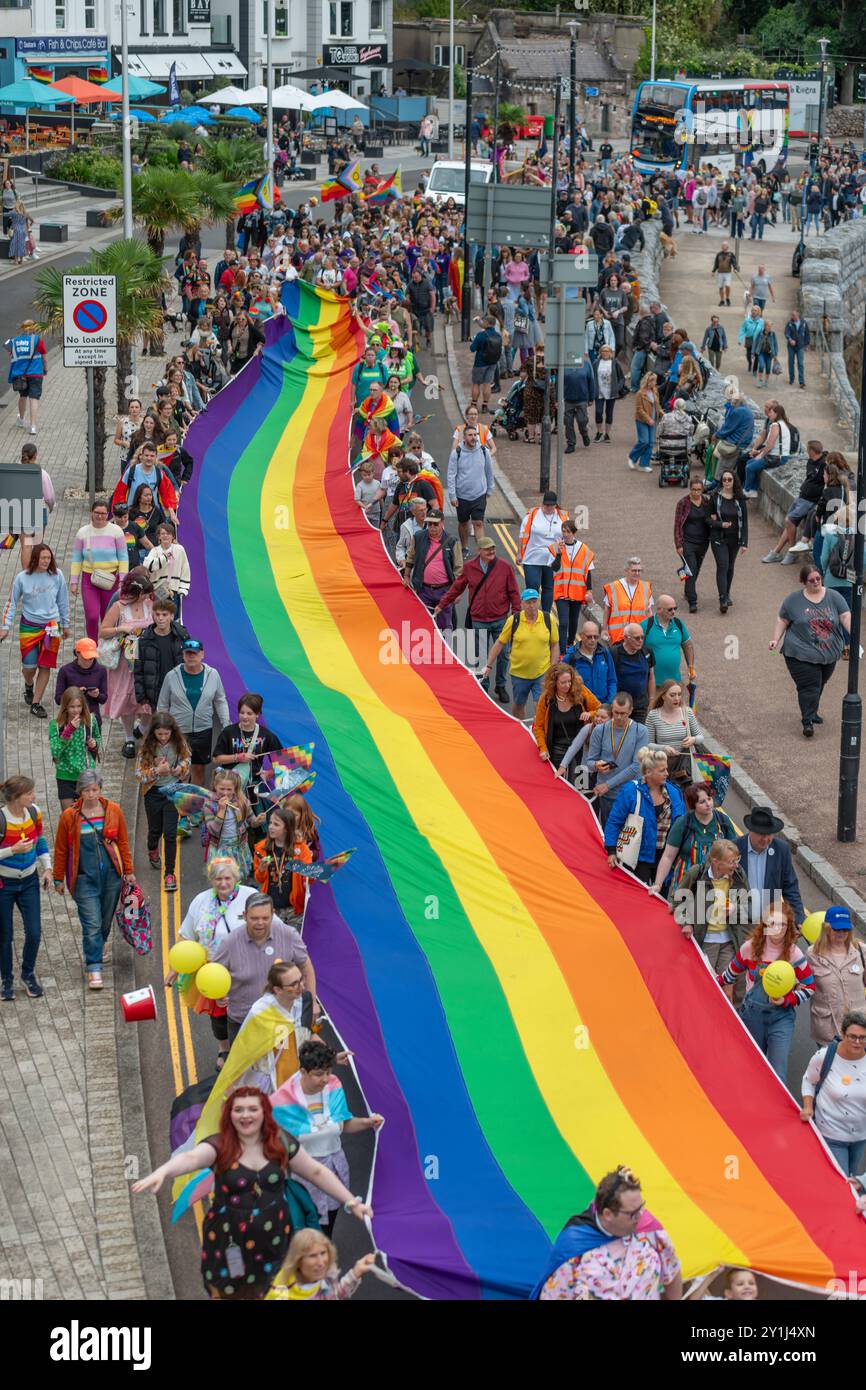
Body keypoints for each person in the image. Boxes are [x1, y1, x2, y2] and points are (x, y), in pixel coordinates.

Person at [132, 1087, 372, 1300]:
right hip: (228, 1244)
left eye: (252, 1109)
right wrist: (162, 1172)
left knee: (276, 1294)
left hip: (275, 1242)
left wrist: (350, 1202)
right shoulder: (221, 1145)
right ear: (230, 1114)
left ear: (264, 1112)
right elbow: (191, 1158)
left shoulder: (280, 1142)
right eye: (239, 1110)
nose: (245, 1115)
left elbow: (316, 1172)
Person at [271, 1039, 383, 1237]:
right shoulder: (280, 1103)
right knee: (303, 1229)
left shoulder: (333, 1086)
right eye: (318, 1074)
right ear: (303, 1072)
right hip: (302, 1178)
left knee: (327, 1227)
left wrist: (367, 1122)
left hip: (334, 1168)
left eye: (328, 1071)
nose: (325, 1079)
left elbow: (343, 1123)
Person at [533, 1165, 683, 1301]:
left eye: (641, 1207)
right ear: (608, 1214)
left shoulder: (648, 1229)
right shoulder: (575, 1247)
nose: (640, 1215)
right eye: (633, 1213)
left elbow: (672, 1269)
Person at [53, 770, 135, 992]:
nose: (91, 794)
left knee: (105, 921)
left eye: (95, 790)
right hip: (83, 878)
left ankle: (97, 948)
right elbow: (61, 849)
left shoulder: (113, 810)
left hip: (111, 876)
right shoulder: (69, 816)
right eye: (86, 790)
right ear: (79, 791)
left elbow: (124, 842)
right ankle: (94, 967)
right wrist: (57, 878)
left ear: (100, 789)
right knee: (91, 924)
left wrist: (128, 870)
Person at [173, 858, 259, 1066]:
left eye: (227, 878)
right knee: (219, 1014)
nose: (223, 883)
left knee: (250, 1010)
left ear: (236, 878)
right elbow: (186, 936)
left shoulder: (251, 897)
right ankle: (224, 1049)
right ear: (211, 880)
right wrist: (174, 969)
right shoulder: (201, 901)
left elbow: (271, 924)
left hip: (246, 967)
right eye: (218, 878)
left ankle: (251, 1050)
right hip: (213, 971)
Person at [719, 899, 814, 1083]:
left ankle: (777, 1111)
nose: (777, 928)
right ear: (765, 925)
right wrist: (707, 977)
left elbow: (809, 987)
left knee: (778, 1073)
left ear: (788, 927)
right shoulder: (750, 948)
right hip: (752, 1016)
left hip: (781, 1018)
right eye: (773, 923)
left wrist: (787, 1000)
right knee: (750, 1068)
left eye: (783, 924)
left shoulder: (794, 954)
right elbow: (729, 975)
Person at [209, 892, 316, 1045]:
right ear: (245, 916)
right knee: (244, 1069)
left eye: (265, 918)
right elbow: (215, 975)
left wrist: (313, 1002)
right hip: (243, 1022)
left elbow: (306, 967)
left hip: (282, 1021)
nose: (260, 923)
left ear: (273, 914)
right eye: (254, 918)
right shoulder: (229, 943)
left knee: (282, 1068)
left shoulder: (288, 934)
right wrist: (218, 995)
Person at [434, 535, 520, 704]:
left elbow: (514, 592)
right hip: (479, 619)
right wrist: (442, 604)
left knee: (503, 655)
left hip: (500, 619)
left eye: (493, 548)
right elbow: (456, 588)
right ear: (478, 551)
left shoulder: (505, 567)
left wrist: (516, 615)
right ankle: (484, 684)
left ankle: (501, 685)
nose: (491, 551)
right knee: (480, 656)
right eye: (487, 549)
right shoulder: (470, 568)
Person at [770, 563, 850, 737]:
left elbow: (845, 616)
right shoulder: (793, 600)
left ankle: (812, 712)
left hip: (828, 653)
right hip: (799, 652)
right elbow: (783, 620)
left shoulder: (834, 596)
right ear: (803, 582)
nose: (815, 582)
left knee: (820, 682)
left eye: (818, 578)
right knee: (810, 686)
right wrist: (775, 639)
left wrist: (854, 634)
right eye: (811, 580)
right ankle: (807, 722)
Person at [0, 542, 70, 719]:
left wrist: (66, 624)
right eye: (42, 558)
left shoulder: (57, 575)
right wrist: (5, 627)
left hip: (52, 627)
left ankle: (36, 702)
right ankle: (28, 684)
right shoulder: (22, 578)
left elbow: (63, 601)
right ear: (35, 559)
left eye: (48, 558)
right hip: (29, 626)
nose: (46, 561)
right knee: (29, 666)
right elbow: (12, 603)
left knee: (45, 665)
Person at [0, 774, 51, 1001]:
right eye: (29, 793)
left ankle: (27, 973)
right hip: (4, 884)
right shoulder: (1, 818)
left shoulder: (34, 812)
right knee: (5, 935)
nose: (34, 796)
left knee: (34, 933)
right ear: (16, 797)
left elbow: (40, 840)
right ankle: (6, 980)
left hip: (29, 881)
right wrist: (13, 850)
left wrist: (47, 868)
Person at [672, 837, 751, 982]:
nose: (735, 865)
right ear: (716, 862)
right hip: (705, 941)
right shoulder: (696, 873)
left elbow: (749, 904)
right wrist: (687, 923)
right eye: (731, 862)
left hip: (729, 940)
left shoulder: (739, 874)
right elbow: (676, 901)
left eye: (737, 860)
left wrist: (735, 909)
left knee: (727, 987)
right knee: (704, 983)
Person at [604, 746, 686, 884]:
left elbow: (681, 824)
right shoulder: (630, 790)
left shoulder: (674, 792)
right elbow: (614, 822)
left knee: (662, 899)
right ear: (648, 772)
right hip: (637, 858)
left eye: (666, 769)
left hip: (666, 859)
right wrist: (611, 850)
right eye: (662, 770)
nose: (667, 773)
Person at [801, 1007, 866, 1176]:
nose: (857, 1042)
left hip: (860, 1137)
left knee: (853, 1179)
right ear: (843, 1035)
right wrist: (808, 1107)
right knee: (841, 1181)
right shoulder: (825, 1056)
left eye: (862, 1038)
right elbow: (808, 1080)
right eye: (853, 1036)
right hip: (831, 1135)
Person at [157, 637, 231, 784]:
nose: (191, 656)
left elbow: (220, 700)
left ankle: (196, 803)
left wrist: (226, 724)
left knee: (198, 768)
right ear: (183, 655)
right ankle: (180, 803)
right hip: (179, 730)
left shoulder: (213, 674)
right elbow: (162, 705)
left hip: (203, 729)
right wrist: (161, 730)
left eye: (194, 653)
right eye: (187, 653)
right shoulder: (172, 676)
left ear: (202, 654)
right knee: (179, 770)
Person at [99, 567, 154, 757]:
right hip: (125, 661)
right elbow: (102, 631)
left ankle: (144, 727)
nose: (147, 597)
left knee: (147, 699)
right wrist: (121, 629)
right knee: (127, 699)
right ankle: (129, 738)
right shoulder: (119, 607)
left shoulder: (150, 604)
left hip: (146, 659)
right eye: (145, 593)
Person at [480, 588, 559, 720]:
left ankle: (539, 734)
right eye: (528, 602)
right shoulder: (513, 620)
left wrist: (552, 668)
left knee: (540, 705)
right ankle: (520, 727)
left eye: (534, 601)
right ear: (522, 604)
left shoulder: (548, 619)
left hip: (542, 673)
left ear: (539, 602)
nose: (531, 606)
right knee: (518, 706)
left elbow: (555, 644)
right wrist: (488, 665)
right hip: (519, 674)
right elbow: (499, 643)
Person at [136, 713, 190, 893]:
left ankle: (169, 873)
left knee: (170, 834)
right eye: (159, 734)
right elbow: (139, 775)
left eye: (166, 734)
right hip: (153, 793)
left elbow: (187, 759)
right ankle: (152, 848)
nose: (163, 738)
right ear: (153, 733)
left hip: (173, 792)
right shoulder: (146, 748)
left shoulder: (179, 743)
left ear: (172, 732)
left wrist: (179, 769)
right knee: (155, 830)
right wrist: (157, 771)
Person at [653, 782, 738, 896]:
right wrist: (658, 884)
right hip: (684, 885)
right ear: (693, 805)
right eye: (702, 802)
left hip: (715, 886)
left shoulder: (723, 821)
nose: (708, 804)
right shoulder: (683, 823)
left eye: (709, 798)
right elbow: (668, 857)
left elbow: (734, 855)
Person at [576, 692, 648, 824]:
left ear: (631, 711)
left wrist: (608, 785)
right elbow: (590, 761)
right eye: (616, 713)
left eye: (623, 713)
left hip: (630, 793)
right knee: (608, 836)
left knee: (629, 838)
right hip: (606, 795)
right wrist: (597, 764)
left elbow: (636, 766)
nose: (619, 717)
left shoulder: (640, 731)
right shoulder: (600, 730)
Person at [735, 805, 805, 927]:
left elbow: (790, 886)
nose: (766, 839)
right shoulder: (734, 848)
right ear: (750, 830)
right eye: (761, 834)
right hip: (742, 923)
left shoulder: (781, 849)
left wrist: (798, 918)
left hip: (771, 923)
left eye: (770, 834)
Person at [69, 501, 129, 641]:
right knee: (92, 615)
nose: (100, 516)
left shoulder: (116, 531)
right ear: (91, 513)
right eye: (97, 513)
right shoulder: (83, 533)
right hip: (90, 579)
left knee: (107, 615)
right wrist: (73, 581)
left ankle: (107, 646)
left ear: (108, 514)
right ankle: (92, 645)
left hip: (111, 579)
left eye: (103, 513)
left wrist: (122, 580)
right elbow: (77, 558)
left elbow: (123, 557)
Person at [807, 905, 866, 1047]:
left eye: (845, 929)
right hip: (828, 1031)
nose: (841, 933)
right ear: (826, 927)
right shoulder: (812, 954)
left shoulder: (861, 950)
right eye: (837, 928)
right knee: (830, 1068)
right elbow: (804, 985)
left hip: (859, 1029)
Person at [761, 439, 827, 564]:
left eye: (808, 450)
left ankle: (792, 553)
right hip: (801, 497)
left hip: (810, 501)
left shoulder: (824, 464)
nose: (807, 452)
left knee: (789, 521)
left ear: (812, 450)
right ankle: (777, 552)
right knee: (789, 524)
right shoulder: (810, 462)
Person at [267, 1229, 377, 1301]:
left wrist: (356, 1272)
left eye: (323, 1253)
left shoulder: (328, 1273)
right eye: (313, 1256)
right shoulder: (281, 1291)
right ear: (298, 1260)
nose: (321, 1262)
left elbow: (335, 1296)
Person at [532, 663, 599, 777]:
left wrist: (590, 714)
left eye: (569, 681)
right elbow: (538, 727)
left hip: (581, 748)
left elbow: (601, 710)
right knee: (559, 783)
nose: (567, 685)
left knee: (579, 785)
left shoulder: (581, 691)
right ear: (554, 683)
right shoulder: (546, 698)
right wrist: (543, 748)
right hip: (557, 749)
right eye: (563, 682)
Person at [252, 806, 313, 926]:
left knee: (293, 941)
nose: (270, 827)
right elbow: (258, 879)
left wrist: (309, 871)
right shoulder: (261, 849)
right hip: (271, 907)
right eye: (270, 823)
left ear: (287, 828)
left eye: (276, 824)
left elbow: (309, 879)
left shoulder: (301, 848)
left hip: (294, 909)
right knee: (274, 942)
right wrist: (262, 869)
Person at [405, 510, 463, 633]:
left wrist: (457, 592)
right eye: (430, 524)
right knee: (422, 624)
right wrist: (406, 576)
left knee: (445, 625)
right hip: (423, 590)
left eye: (435, 524)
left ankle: (445, 649)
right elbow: (410, 558)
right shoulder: (418, 537)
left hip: (445, 591)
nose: (432, 527)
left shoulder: (452, 541)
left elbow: (458, 569)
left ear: (442, 523)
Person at [49, 687, 101, 811]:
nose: (76, 710)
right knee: (69, 816)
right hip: (65, 776)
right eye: (72, 707)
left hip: (86, 774)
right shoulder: (55, 725)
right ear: (65, 707)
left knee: (87, 814)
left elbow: (97, 738)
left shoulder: (90, 720)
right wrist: (68, 730)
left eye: (79, 706)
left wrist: (94, 744)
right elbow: (55, 751)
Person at [446, 423, 495, 554]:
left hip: (479, 494)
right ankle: (464, 547)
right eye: (470, 435)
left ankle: (482, 552)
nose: (474, 438)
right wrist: (452, 496)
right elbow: (451, 475)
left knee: (478, 522)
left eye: (475, 435)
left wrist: (489, 489)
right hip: (462, 496)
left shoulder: (484, 451)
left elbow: (489, 471)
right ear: (464, 438)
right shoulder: (456, 453)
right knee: (463, 523)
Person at [517, 492, 568, 616]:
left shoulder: (562, 517)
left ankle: (545, 616)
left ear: (556, 505)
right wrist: (519, 553)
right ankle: (531, 614)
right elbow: (522, 535)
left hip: (551, 559)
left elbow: (567, 535)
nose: (548, 507)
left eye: (551, 505)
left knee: (549, 589)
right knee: (533, 589)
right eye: (546, 505)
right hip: (532, 558)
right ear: (542, 504)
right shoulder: (532, 515)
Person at [551, 519, 595, 655]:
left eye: (568, 532)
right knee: (563, 622)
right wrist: (558, 553)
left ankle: (570, 642)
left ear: (574, 533)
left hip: (577, 592)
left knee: (573, 621)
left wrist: (589, 590)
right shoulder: (556, 547)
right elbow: (554, 567)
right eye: (563, 531)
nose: (565, 534)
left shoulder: (584, 549)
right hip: (561, 591)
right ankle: (562, 650)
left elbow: (588, 572)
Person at [709, 467, 747, 614]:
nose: (726, 482)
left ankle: (727, 592)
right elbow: (708, 519)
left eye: (729, 479)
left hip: (734, 539)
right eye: (724, 480)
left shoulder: (740, 498)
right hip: (718, 538)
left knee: (730, 566)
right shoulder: (714, 497)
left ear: (734, 481)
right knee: (722, 565)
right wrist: (719, 524)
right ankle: (722, 598)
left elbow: (745, 521)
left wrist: (744, 542)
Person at [674, 477, 713, 614]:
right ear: (690, 489)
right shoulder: (683, 503)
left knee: (696, 569)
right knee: (691, 569)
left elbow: (712, 518)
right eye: (694, 490)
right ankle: (693, 601)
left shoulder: (707, 502)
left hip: (703, 542)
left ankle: (687, 590)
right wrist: (678, 544)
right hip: (687, 542)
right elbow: (678, 524)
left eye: (699, 490)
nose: (696, 493)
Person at [641, 597, 694, 689]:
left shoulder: (678, 624)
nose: (673, 611)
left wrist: (691, 667)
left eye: (675, 608)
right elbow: (636, 649)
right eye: (670, 609)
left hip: (675, 684)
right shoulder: (645, 625)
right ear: (659, 609)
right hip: (651, 684)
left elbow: (688, 646)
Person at [742, 401, 792, 498]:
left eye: (771, 412)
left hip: (777, 457)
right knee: (749, 463)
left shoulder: (775, 425)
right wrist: (759, 452)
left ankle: (747, 490)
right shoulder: (783, 423)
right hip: (780, 455)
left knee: (749, 467)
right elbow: (773, 445)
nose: (768, 414)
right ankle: (753, 489)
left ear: (776, 414)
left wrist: (760, 455)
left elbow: (770, 445)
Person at [55, 637, 108, 728]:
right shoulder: (65, 671)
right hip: (70, 721)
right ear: (77, 653)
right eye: (85, 658)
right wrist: (74, 694)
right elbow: (58, 699)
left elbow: (103, 699)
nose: (88, 662)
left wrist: (97, 695)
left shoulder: (101, 670)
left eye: (91, 658)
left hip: (92, 721)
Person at [609, 623, 655, 725]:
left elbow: (651, 678)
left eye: (642, 637)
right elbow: (608, 680)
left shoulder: (647, 652)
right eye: (637, 638)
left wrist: (651, 700)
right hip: (620, 707)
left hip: (640, 707)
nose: (641, 641)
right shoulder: (614, 653)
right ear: (626, 638)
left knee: (637, 737)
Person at [563, 619, 618, 705]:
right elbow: (563, 686)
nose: (593, 640)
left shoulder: (605, 653)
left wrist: (609, 703)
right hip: (580, 709)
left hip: (603, 708)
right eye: (589, 637)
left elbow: (612, 680)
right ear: (581, 635)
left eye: (596, 637)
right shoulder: (570, 658)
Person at [141, 521, 191, 616]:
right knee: (157, 617)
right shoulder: (155, 551)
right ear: (159, 536)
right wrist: (164, 558)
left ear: (173, 536)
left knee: (172, 618)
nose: (165, 536)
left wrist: (183, 589)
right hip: (157, 591)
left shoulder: (179, 549)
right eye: (163, 533)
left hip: (174, 592)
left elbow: (185, 568)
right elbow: (147, 567)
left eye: (168, 534)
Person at [602, 557, 654, 645]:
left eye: (639, 570)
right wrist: (604, 629)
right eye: (634, 570)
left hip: (639, 637)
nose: (637, 573)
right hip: (618, 637)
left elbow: (649, 612)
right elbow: (607, 610)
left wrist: (652, 632)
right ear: (626, 570)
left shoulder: (646, 587)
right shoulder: (613, 587)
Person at [627, 371, 661, 474]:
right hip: (642, 420)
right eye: (653, 381)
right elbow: (639, 410)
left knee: (650, 443)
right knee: (644, 441)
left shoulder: (654, 391)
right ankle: (632, 457)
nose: (655, 383)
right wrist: (648, 419)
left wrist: (662, 412)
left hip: (653, 420)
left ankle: (644, 464)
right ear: (648, 381)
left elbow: (657, 405)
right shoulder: (640, 394)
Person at [591, 345, 625, 443]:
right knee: (598, 412)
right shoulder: (596, 363)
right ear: (600, 353)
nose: (605, 353)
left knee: (609, 413)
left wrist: (617, 388)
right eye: (603, 351)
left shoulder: (615, 363)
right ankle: (599, 432)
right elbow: (592, 377)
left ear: (610, 353)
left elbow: (622, 378)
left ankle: (607, 434)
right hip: (599, 392)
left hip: (611, 393)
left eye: (607, 351)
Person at [562, 356, 596, 451]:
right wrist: (557, 398)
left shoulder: (586, 364)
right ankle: (571, 443)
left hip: (582, 398)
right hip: (568, 398)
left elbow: (591, 380)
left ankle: (584, 433)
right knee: (568, 423)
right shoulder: (564, 364)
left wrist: (591, 397)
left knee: (582, 420)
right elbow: (559, 382)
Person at [784, 310, 810, 389]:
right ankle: (791, 378)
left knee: (800, 363)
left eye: (794, 315)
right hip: (791, 346)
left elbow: (807, 334)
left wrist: (806, 344)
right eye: (792, 315)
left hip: (800, 346)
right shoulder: (789, 324)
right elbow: (786, 333)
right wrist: (790, 340)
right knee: (791, 362)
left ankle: (801, 382)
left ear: (798, 315)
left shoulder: (804, 323)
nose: (792, 317)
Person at [738, 305, 764, 377]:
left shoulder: (761, 321)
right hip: (749, 339)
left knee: (757, 355)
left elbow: (764, 331)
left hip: (758, 340)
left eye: (755, 310)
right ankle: (750, 363)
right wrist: (740, 339)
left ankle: (755, 370)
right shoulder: (747, 320)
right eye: (752, 310)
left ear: (758, 312)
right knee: (748, 355)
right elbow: (742, 329)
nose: (753, 312)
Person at [710, 242, 737, 308]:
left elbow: (734, 262)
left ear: (727, 246)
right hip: (720, 273)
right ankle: (722, 300)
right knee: (721, 287)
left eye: (724, 245)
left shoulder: (731, 254)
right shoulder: (719, 254)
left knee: (727, 285)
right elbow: (716, 263)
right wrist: (713, 271)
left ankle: (727, 298)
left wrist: (735, 268)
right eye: (722, 245)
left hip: (727, 273)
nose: (723, 247)